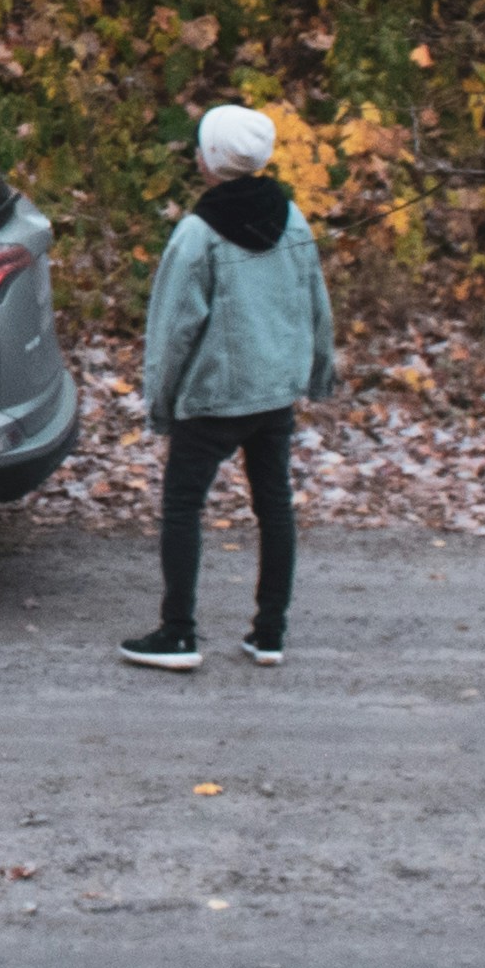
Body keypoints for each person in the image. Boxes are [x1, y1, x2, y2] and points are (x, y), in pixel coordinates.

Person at [126, 102, 336, 673]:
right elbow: (315, 302)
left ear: (210, 161)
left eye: (201, 145)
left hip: (212, 397)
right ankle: (270, 633)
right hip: (273, 394)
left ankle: (178, 633)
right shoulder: (292, 219)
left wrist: (161, 403)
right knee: (274, 506)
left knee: (183, 507)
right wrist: (315, 373)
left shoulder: (198, 233)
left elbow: (172, 328)